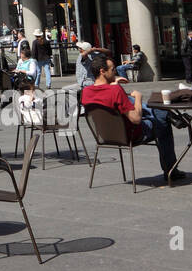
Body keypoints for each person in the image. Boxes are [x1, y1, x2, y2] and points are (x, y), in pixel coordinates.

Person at [80, 53, 186, 182]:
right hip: (131, 134)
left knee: (134, 101)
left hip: (106, 135)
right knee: (161, 120)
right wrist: (138, 97)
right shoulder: (115, 91)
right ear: (102, 71)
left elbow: (104, 97)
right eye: (113, 70)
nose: (115, 73)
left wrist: (113, 84)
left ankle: (166, 114)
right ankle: (171, 171)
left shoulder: (86, 92)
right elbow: (136, 119)